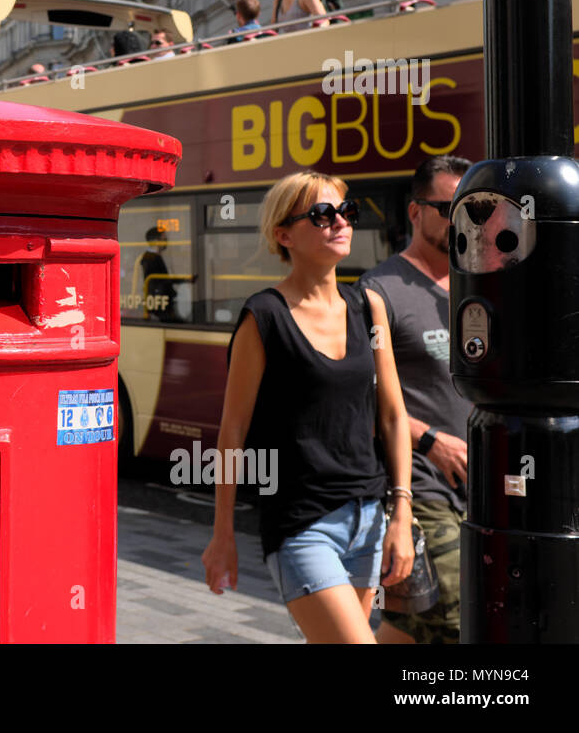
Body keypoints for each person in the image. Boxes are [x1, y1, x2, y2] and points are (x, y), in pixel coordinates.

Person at [202, 170, 414, 643]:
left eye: (347, 212)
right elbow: (232, 431)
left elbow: (394, 415)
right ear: (284, 234)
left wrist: (401, 510)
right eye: (322, 214)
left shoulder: (368, 308)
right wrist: (222, 535)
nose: (340, 222)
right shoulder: (264, 317)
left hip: (369, 518)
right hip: (303, 524)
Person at [359, 155, 473, 644]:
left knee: (407, 622)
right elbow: (363, 396)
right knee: (456, 617)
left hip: (481, 483)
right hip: (420, 486)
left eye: (469, 209)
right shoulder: (379, 292)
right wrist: (432, 443)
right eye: (446, 208)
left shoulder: (481, 285)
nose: (458, 221)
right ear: (414, 212)